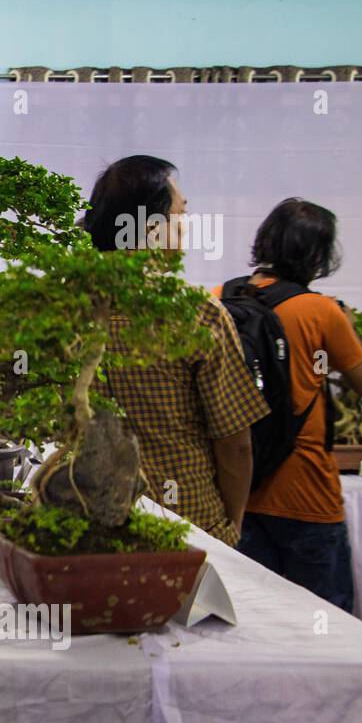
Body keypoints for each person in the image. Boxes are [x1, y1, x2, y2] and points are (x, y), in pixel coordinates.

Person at [83, 155, 268, 545]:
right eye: (181, 214)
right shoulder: (195, 311)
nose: (185, 227)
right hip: (188, 528)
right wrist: (230, 528)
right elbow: (235, 445)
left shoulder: (57, 306)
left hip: (85, 522)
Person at [219, 199, 362, 611]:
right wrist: (351, 330)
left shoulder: (219, 300)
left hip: (239, 491)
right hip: (307, 493)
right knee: (329, 623)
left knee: (253, 622)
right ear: (318, 255)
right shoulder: (320, 311)